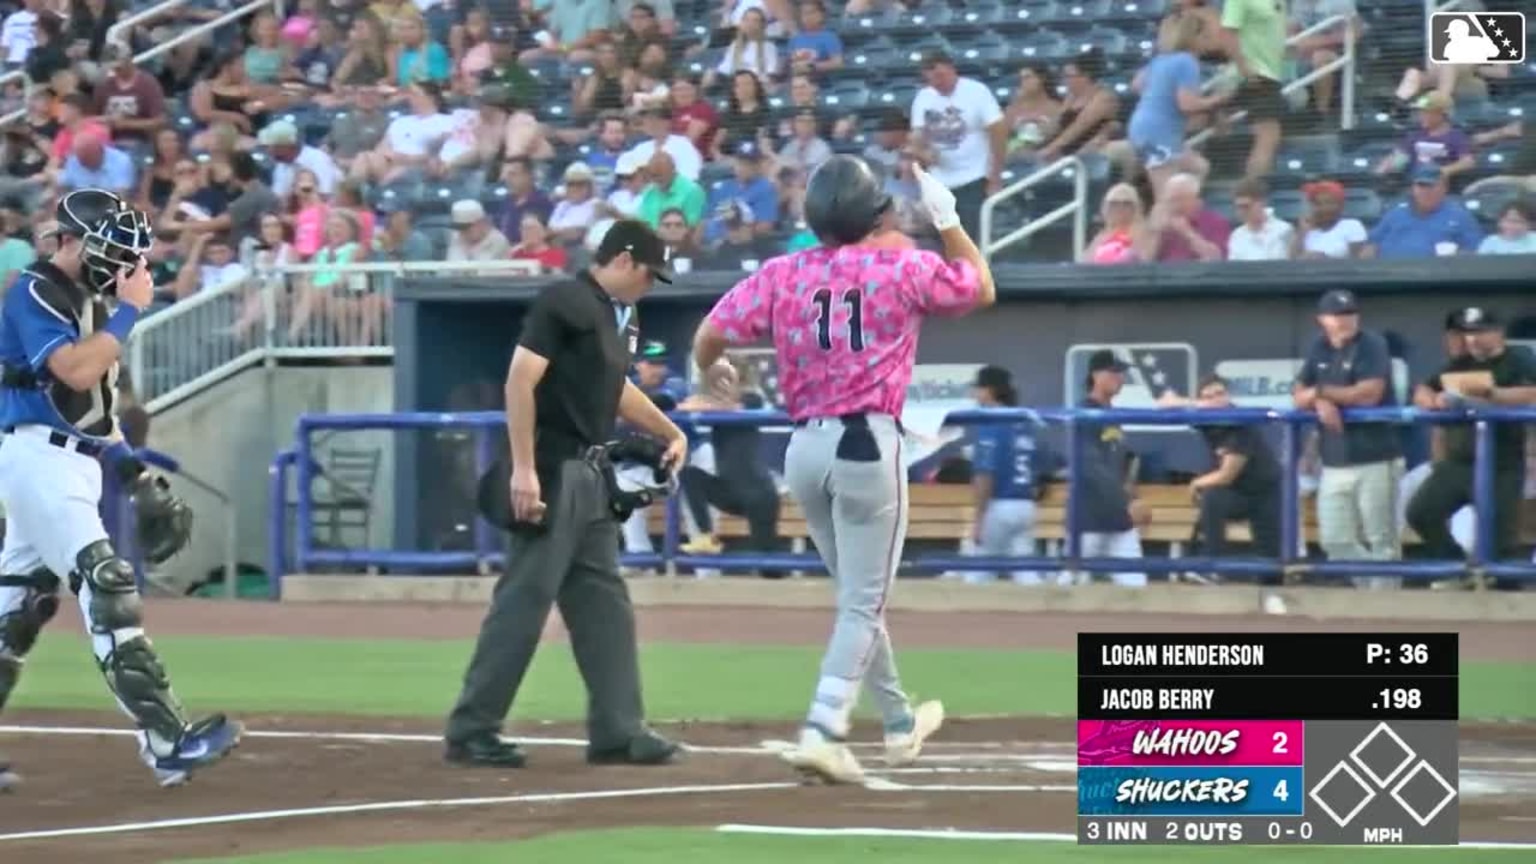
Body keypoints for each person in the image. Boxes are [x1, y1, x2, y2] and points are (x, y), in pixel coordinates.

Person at [691, 154, 996, 784]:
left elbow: (710, 335)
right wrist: (948, 217)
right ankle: (824, 727)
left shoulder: (784, 270)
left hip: (803, 448)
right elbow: (980, 286)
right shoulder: (902, 265)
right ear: (874, 212)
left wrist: (707, 373)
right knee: (863, 601)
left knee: (858, 599)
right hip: (867, 444)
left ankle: (896, 721)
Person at [0, 189, 242, 790]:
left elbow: (94, 410)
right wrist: (132, 310)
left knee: (16, 613)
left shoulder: (89, 302)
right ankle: (167, 743)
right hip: (38, 459)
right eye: (106, 249)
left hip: (68, 461)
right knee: (106, 589)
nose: (120, 265)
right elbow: (75, 372)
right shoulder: (35, 290)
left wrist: (134, 474)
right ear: (69, 242)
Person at [444, 219, 686, 769]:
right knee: (523, 603)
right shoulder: (565, 300)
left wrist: (670, 431)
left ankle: (619, 730)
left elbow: (616, 389)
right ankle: (472, 727)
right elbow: (520, 380)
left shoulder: (616, 320)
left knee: (606, 605)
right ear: (623, 260)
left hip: (592, 477)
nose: (651, 285)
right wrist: (524, 470)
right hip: (552, 470)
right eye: (649, 274)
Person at [1408, 307, 1536, 589]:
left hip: (1500, 463)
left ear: (1498, 333)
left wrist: (1491, 394)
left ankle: (1505, 608)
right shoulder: (1460, 363)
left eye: (1479, 332)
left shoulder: (1518, 359)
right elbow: (1423, 389)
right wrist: (1431, 400)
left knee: (1501, 542)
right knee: (1421, 512)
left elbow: (1533, 393)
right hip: (1458, 462)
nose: (1472, 339)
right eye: (1468, 333)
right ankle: (1459, 569)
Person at [1293, 289, 1404, 588]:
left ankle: (1387, 608)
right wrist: (1317, 399)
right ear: (1321, 319)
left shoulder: (1372, 344)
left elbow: (1369, 395)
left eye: (1349, 314)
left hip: (1377, 457)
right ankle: (1372, 593)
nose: (1344, 321)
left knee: (1382, 539)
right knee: (1335, 542)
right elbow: (1297, 394)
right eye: (1337, 315)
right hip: (1335, 460)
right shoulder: (1319, 346)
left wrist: (1321, 393)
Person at [1161, 374, 1283, 576]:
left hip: (1265, 493)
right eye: (1208, 397)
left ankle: (1273, 593)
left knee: (1270, 566)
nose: (1216, 400)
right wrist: (1195, 403)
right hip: (1236, 494)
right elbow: (1165, 403)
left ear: (1229, 396)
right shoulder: (1206, 418)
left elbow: (1227, 474)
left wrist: (1196, 483)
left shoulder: (1240, 422)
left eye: (1220, 394)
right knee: (1212, 498)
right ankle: (1212, 567)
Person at [965, 365, 1047, 586]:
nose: (975, 395)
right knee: (1026, 576)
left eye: (978, 389)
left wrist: (979, 519)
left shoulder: (991, 421)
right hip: (1026, 506)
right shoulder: (1023, 422)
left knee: (978, 575)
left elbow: (985, 476)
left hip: (999, 506)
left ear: (990, 390)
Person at [1075, 350, 1150, 586]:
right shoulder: (1084, 411)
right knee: (1070, 591)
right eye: (1114, 372)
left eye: (1122, 372)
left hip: (1119, 520)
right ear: (1096, 375)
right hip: (1089, 518)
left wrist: (1135, 498)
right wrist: (1127, 503)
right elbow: (1092, 467)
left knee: (1137, 588)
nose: (1120, 377)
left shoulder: (1112, 415)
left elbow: (1121, 467)